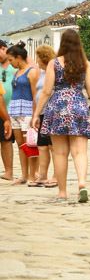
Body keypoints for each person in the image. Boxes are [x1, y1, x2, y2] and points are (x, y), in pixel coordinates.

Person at [31, 29, 90, 202]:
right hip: (79, 106)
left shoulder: (54, 63)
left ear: (62, 44)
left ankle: (62, 192)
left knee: (60, 153)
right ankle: (82, 183)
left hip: (58, 107)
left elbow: (47, 91)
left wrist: (36, 114)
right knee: (80, 152)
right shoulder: (84, 64)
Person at [7, 44, 38, 184]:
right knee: (21, 145)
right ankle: (24, 175)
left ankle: (33, 174)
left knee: (30, 144)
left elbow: (35, 94)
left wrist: (35, 114)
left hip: (27, 111)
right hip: (14, 110)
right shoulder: (16, 73)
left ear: (19, 58)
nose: (10, 63)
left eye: (11, 59)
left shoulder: (31, 72)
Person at [31, 45, 56, 187]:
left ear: (44, 58)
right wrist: (36, 113)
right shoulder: (40, 74)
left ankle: (56, 175)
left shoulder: (53, 72)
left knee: (53, 146)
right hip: (41, 113)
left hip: (52, 112)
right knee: (42, 145)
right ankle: (42, 175)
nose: (37, 60)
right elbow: (37, 94)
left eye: (38, 57)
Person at [0, 39, 14, 181]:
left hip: (13, 108)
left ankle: (10, 171)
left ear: (3, 48)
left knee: (7, 141)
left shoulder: (15, 64)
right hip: (1, 108)